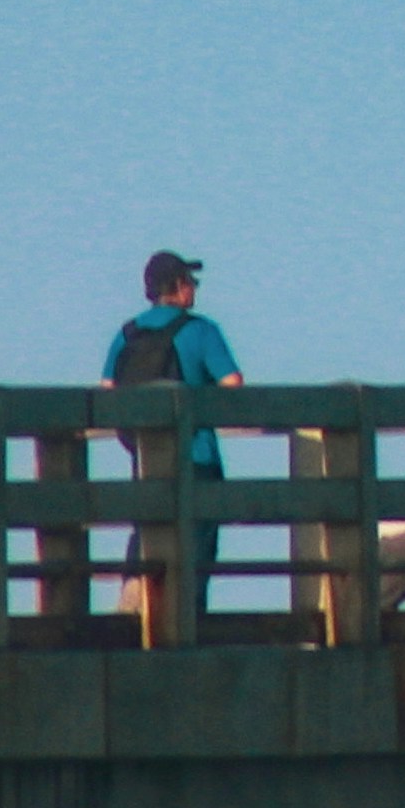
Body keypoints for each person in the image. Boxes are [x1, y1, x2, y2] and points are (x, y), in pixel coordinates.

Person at [104, 250, 243, 610]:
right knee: (197, 543)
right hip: (197, 457)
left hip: (145, 461)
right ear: (179, 287)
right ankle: (188, 618)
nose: (194, 289)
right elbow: (234, 384)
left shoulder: (126, 334)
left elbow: (107, 392)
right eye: (191, 282)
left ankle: (136, 611)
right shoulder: (200, 331)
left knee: (147, 533)